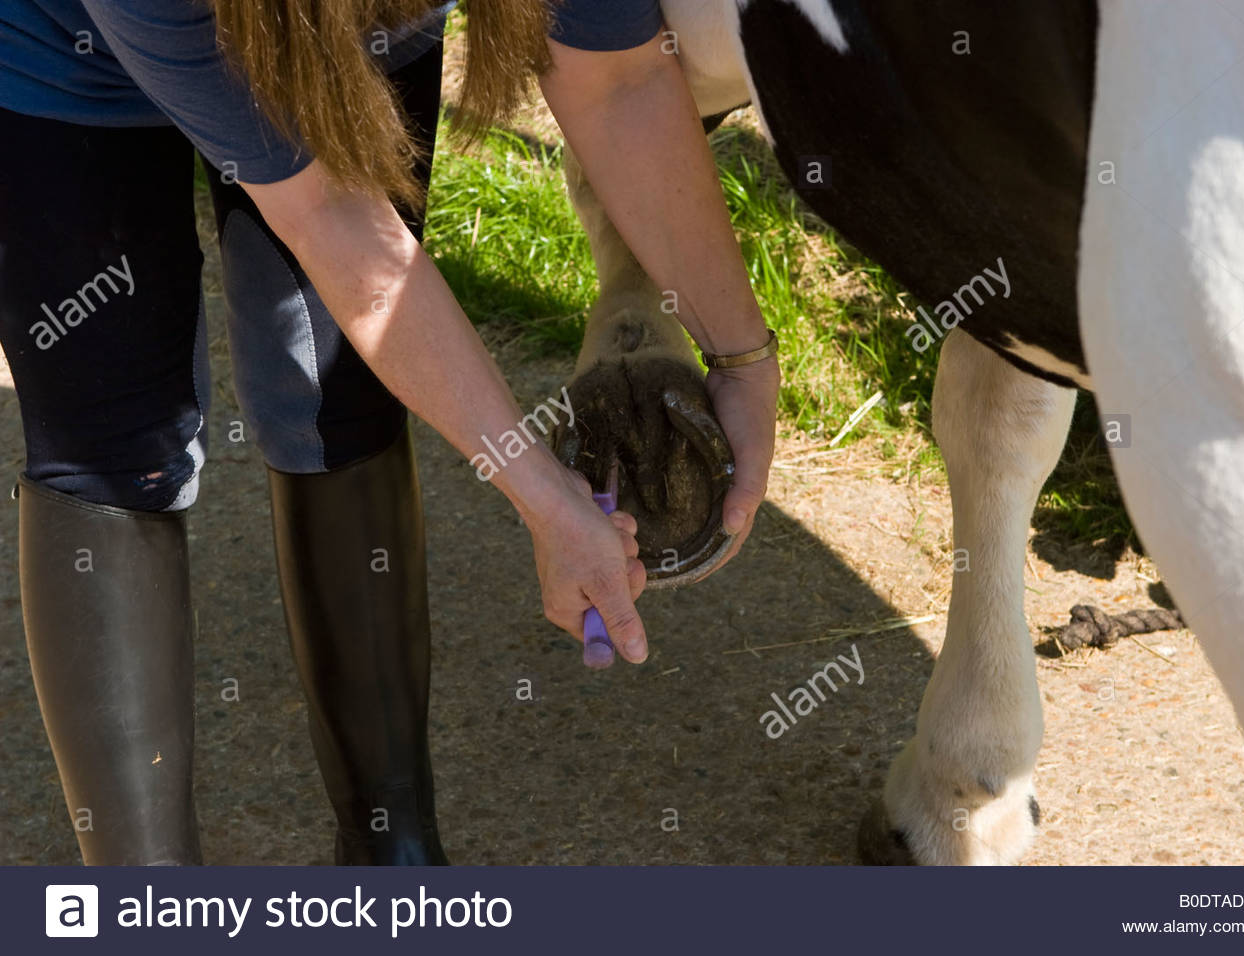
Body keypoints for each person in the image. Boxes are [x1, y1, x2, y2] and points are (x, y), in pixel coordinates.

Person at [0, 0, 780, 865]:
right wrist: (544, 498)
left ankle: (390, 858)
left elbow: (620, 78)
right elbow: (335, 220)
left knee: (333, 390)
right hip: (68, 48)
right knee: (114, 439)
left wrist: (744, 356)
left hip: (344, 32)